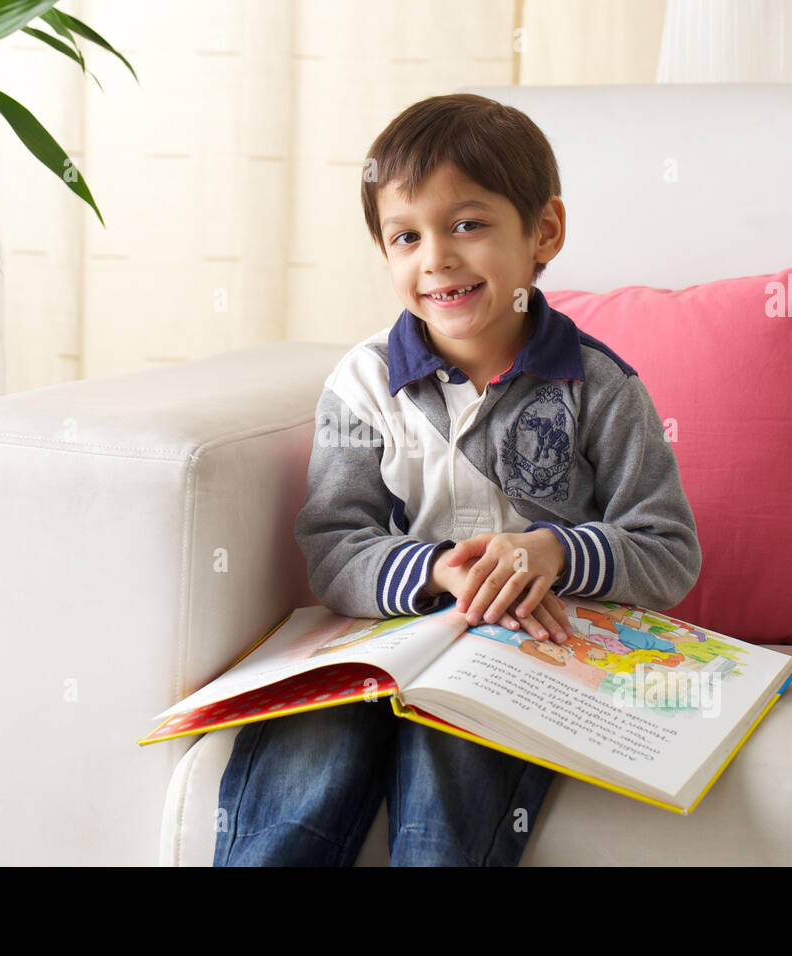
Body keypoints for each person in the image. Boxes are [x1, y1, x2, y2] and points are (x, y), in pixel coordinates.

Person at [213, 93, 701, 866]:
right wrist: (434, 568)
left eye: (466, 225)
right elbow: (336, 545)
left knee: (450, 796)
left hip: (518, 654)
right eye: (406, 235)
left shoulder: (600, 387)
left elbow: (667, 548)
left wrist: (554, 552)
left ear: (544, 231)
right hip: (386, 643)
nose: (435, 257)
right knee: (307, 756)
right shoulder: (363, 382)